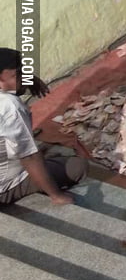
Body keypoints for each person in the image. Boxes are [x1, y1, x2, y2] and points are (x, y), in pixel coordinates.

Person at [0, 47, 86, 206]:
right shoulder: (10, 106)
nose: (23, 77)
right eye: (17, 74)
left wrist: (30, 79)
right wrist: (57, 196)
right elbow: (28, 157)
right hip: (4, 188)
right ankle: (42, 186)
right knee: (78, 167)